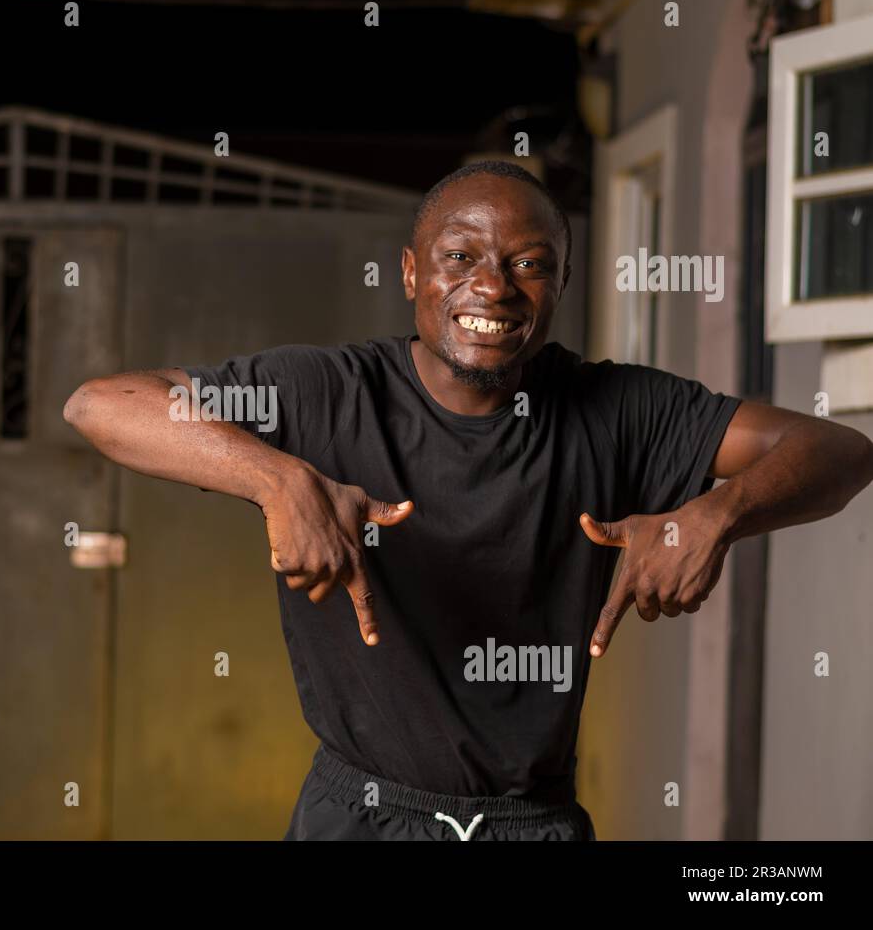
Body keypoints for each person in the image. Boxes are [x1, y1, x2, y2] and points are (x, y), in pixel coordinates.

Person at [62, 160, 873, 840]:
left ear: (557, 281)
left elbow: (840, 452)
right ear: (412, 269)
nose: (493, 286)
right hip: (360, 815)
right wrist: (280, 480)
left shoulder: (619, 410)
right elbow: (101, 404)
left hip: (534, 822)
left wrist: (715, 516)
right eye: (459, 257)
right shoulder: (327, 396)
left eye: (528, 263)